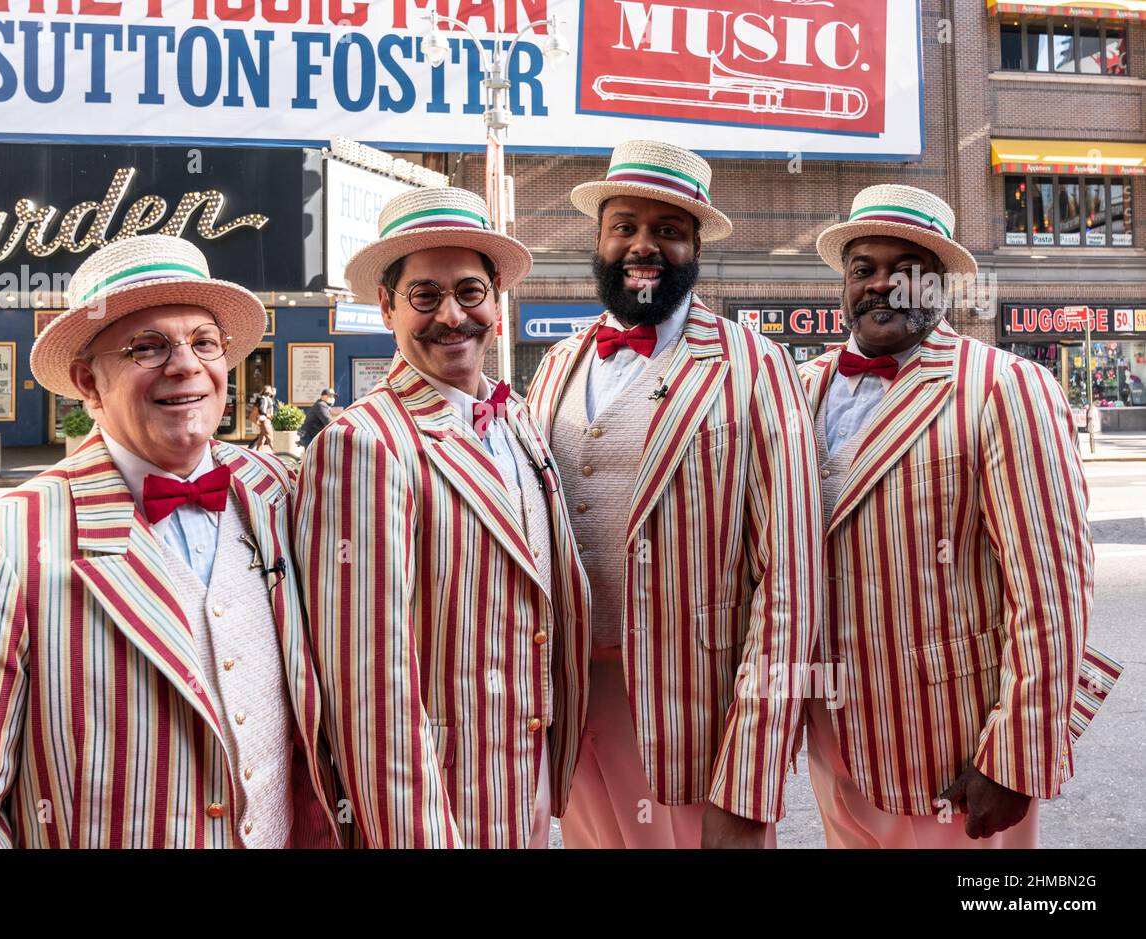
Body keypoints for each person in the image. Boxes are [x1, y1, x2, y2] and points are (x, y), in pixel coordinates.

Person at [0, 235, 338, 848]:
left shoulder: (279, 492)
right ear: (88, 382)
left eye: (203, 342)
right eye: (148, 347)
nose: (186, 365)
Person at [798, 183, 1123, 847]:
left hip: (956, 752)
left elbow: (1051, 593)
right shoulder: (802, 388)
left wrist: (1016, 754)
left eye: (905, 270)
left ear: (941, 287)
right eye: (864, 269)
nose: (881, 284)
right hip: (834, 745)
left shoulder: (1005, 386)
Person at [525, 140, 823, 848]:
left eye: (667, 229)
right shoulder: (558, 363)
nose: (642, 244)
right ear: (599, 239)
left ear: (694, 246)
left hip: (694, 721)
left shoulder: (755, 364)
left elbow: (792, 577)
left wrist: (750, 776)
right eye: (624, 225)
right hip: (568, 707)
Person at [291, 187, 591, 848]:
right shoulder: (362, 445)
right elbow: (370, 691)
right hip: (443, 803)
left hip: (527, 781)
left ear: (496, 301)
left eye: (470, 292)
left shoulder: (516, 419)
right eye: (425, 296)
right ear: (388, 307)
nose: (452, 316)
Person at [251, 384, 276, 451]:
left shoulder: (268, 398)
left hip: (265, 420)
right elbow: (261, 409)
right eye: (271, 390)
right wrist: (267, 415)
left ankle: (257, 452)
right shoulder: (263, 398)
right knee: (270, 437)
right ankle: (278, 454)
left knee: (261, 439)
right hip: (265, 420)